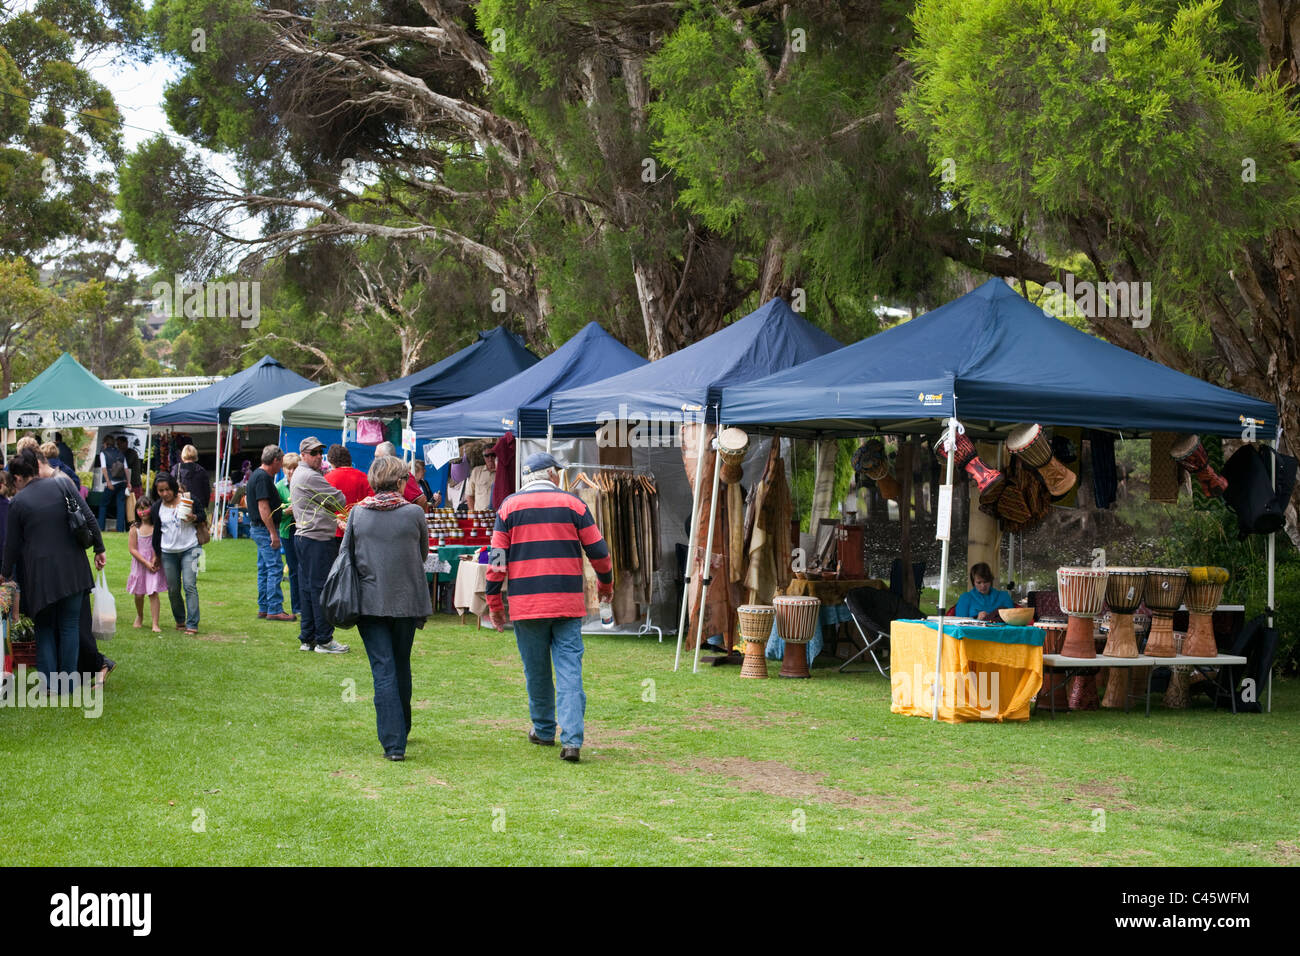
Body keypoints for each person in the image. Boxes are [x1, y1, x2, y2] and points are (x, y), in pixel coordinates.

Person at [486, 452, 613, 763]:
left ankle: (543, 730)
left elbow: (497, 559)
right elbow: (599, 552)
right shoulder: (575, 505)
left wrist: (494, 602)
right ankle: (572, 740)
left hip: (527, 603)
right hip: (566, 602)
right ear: (552, 475)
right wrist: (605, 586)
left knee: (536, 670)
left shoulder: (509, 507)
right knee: (570, 670)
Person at [347, 455, 433, 760]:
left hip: (370, 601)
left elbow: (348, 555)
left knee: (383, 668)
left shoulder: (358, 514)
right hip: (405, 600)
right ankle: (400, 733)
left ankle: (395, 741)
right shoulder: (414, 514)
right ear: (400, 482)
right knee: (399, 663)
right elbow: (422, 554)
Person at [1, 449, 107, 693]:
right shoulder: (62, 485)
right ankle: (69, 684)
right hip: (74, 568)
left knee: (45, 627)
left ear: (17, 478)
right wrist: (99, 548)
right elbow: (88, 516)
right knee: (70, 625)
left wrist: (5, 573)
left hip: (41, 574)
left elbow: (12, 545)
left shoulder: (18, 502)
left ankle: (49, 685)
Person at [290, 436, 348, 654]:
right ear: (304, 455)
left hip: (305, 536)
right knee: (321, 589)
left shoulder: (300, 473)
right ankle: (324, 639)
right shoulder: (310, 476)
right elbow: (339, 499)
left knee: (307, 589)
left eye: (319, 453)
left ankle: (308, 637)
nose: (317, 457)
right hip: (316, 539)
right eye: (313, 453)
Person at [151, 472, 203, 635]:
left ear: (173, 487)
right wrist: (156, 555)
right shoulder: (157, 507)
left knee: (189, 585)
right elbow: (157, 534)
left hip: (191, 548)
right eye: (161, 491)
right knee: (173, 589)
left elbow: (202, 515)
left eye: (167, 489)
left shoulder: (188, 499)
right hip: (168, 553)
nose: (165, 493)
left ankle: (192, 624)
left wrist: (194, 517)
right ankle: (180, 619)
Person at [248, 445, 295, 622]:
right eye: (281, 463)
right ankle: (274, 608)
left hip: (258, 527)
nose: (281, 467)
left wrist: (283, 513)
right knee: (275, 567)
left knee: (264, 568)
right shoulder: (263, 478)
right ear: (275, 461)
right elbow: (263, 507)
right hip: (263, 529)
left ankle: (264, 607)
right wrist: (273, 534)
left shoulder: (257, 475)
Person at [127, 496, 166, 632]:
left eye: (145, 508)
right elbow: (132, 549)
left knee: (153, 592)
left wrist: (155, 558)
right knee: (138, 594)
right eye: (139, 509)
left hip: (153, 564)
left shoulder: (156, 527)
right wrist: (145, 562)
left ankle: (155, 623)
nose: (142, 512)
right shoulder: (135, 528)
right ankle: (140, 615)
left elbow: (158, 544)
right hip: (140, 565)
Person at [325, 444, 373, 538]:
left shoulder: (327, 479)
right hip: (358, 530)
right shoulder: (364, 478)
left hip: (335, 532)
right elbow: (372, 501)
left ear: (331, 461)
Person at [277, 453, 302, 619]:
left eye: (295, 468)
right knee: (293, 569)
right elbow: (275, 513)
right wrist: (287, 511)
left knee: (305, 568)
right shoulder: (279, 487)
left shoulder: (303, 483)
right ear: (283, 469)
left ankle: (308, 603)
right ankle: (297, 606)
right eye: (288, 468)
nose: (291, 471)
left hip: (303, 529)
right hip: (287, 531)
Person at [374, 441, 429, 509]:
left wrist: (414, 516)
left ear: (389, 457)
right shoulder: (376, 476)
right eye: (375, 457)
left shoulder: (402, 475)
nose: (375, 461)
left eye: (377, 457)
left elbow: (422, 501)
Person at [97, 435, 130, 532]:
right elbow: (126, 469)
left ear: (105, 444)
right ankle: (120, 529)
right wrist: (128, 482)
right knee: (121, 506)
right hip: (122, 482)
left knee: (103, 504)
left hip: (112, 482)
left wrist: (108, 482)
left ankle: (101, 528)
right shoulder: (120, 452)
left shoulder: (103, 453)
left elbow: (103, 468)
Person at [174, 445, 211, 524]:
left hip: (180, 503)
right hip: (197, 505)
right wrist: (205, 505)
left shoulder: (176, 469)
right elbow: (206, 490)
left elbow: (171, 487)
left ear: (182, 455)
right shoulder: (201, 470)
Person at [467, 443, 496, 510]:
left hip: (498, 515)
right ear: (483, 457)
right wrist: (473, 514)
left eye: (493, 455)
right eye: (487, 455)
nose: (490, 458)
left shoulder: (503, 472)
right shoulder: (476, 471)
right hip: (480, 515)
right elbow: (469, 495)